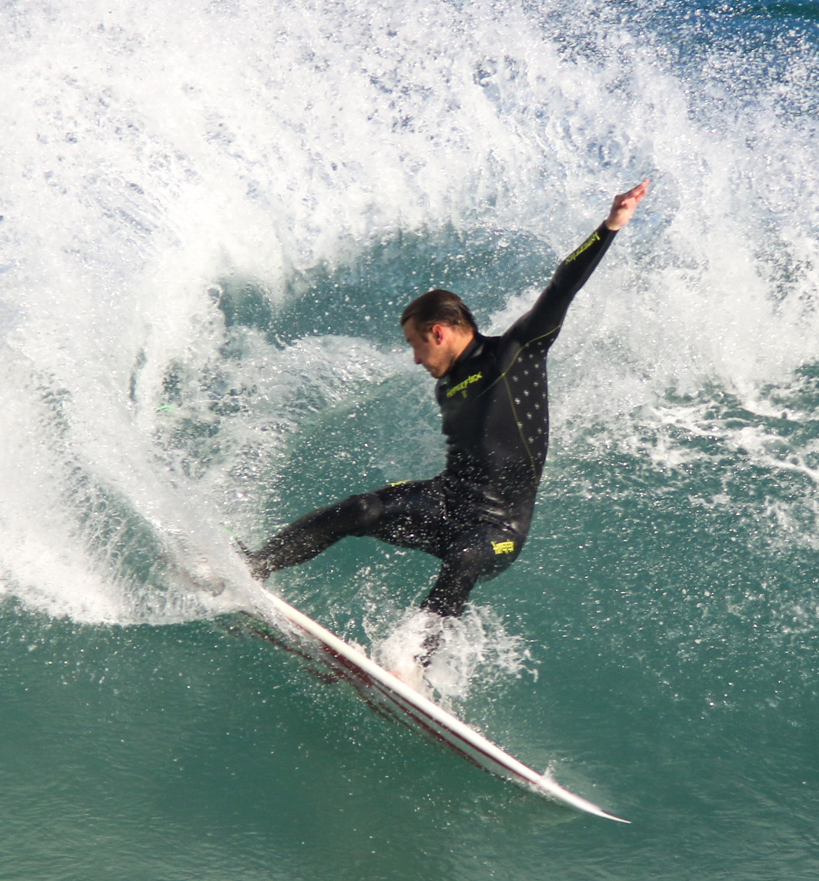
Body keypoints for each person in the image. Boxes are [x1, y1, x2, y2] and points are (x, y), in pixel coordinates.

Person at [247, 180, 653, 682]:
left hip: (498, 530)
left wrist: (610, 226)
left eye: (417, 345)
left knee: (462, 556)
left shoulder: (515, 353)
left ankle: (413, 664)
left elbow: (561, 287)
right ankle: (252, 567)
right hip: (446, 502)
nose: (416, 358)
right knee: (359, 509)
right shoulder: (447, 387)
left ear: (439, 332)